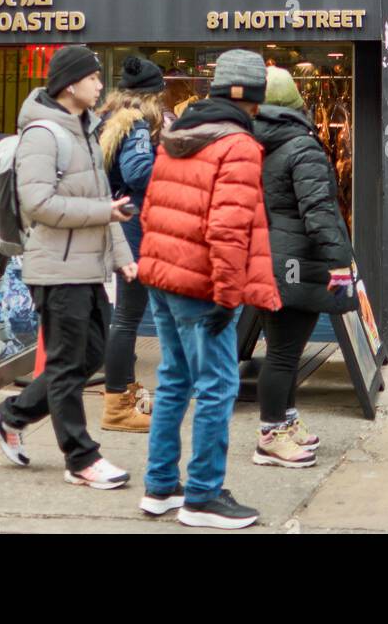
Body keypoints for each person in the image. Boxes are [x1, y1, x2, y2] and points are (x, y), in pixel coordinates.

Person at [0, 45, 137, 489]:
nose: (100, 84)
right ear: (70, 84)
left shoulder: (85, 131)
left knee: (88, 355)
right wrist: (103, 213)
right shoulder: (43, 135)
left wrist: (124, 259)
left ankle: (11, 416)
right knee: (69, 365)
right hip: (56, 268)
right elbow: (39, 203)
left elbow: (102, 200)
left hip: (87, 268)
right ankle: (81, 459)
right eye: (93, 78)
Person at [137, 49, 280, 530]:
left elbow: (151, 208)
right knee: (218, 386)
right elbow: (228, 228)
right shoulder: (237, 145)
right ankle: (201, 496)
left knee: (175, 377)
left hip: (162, 275)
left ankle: (160, 487)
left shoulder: (177, 132)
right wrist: (226, 294)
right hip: (201, 284)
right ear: (252, 98)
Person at [252, 65, 354, 468]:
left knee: (284, 351)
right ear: (295, 102)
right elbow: (319, 212)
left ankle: (286, 421)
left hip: (270, 258)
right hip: (295, 263)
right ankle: (271, 436)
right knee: (283, 354)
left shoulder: (258, 143)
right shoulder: (301, 147)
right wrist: (339, 263)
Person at [99, 54, 165, 434]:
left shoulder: (112, 118)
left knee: (124, 315)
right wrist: (169, 160)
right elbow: (138, 171)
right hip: (133, 225)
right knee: (127, 316)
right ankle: (118, 401)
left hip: (118, 221)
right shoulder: (138, 123)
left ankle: (123, 387)